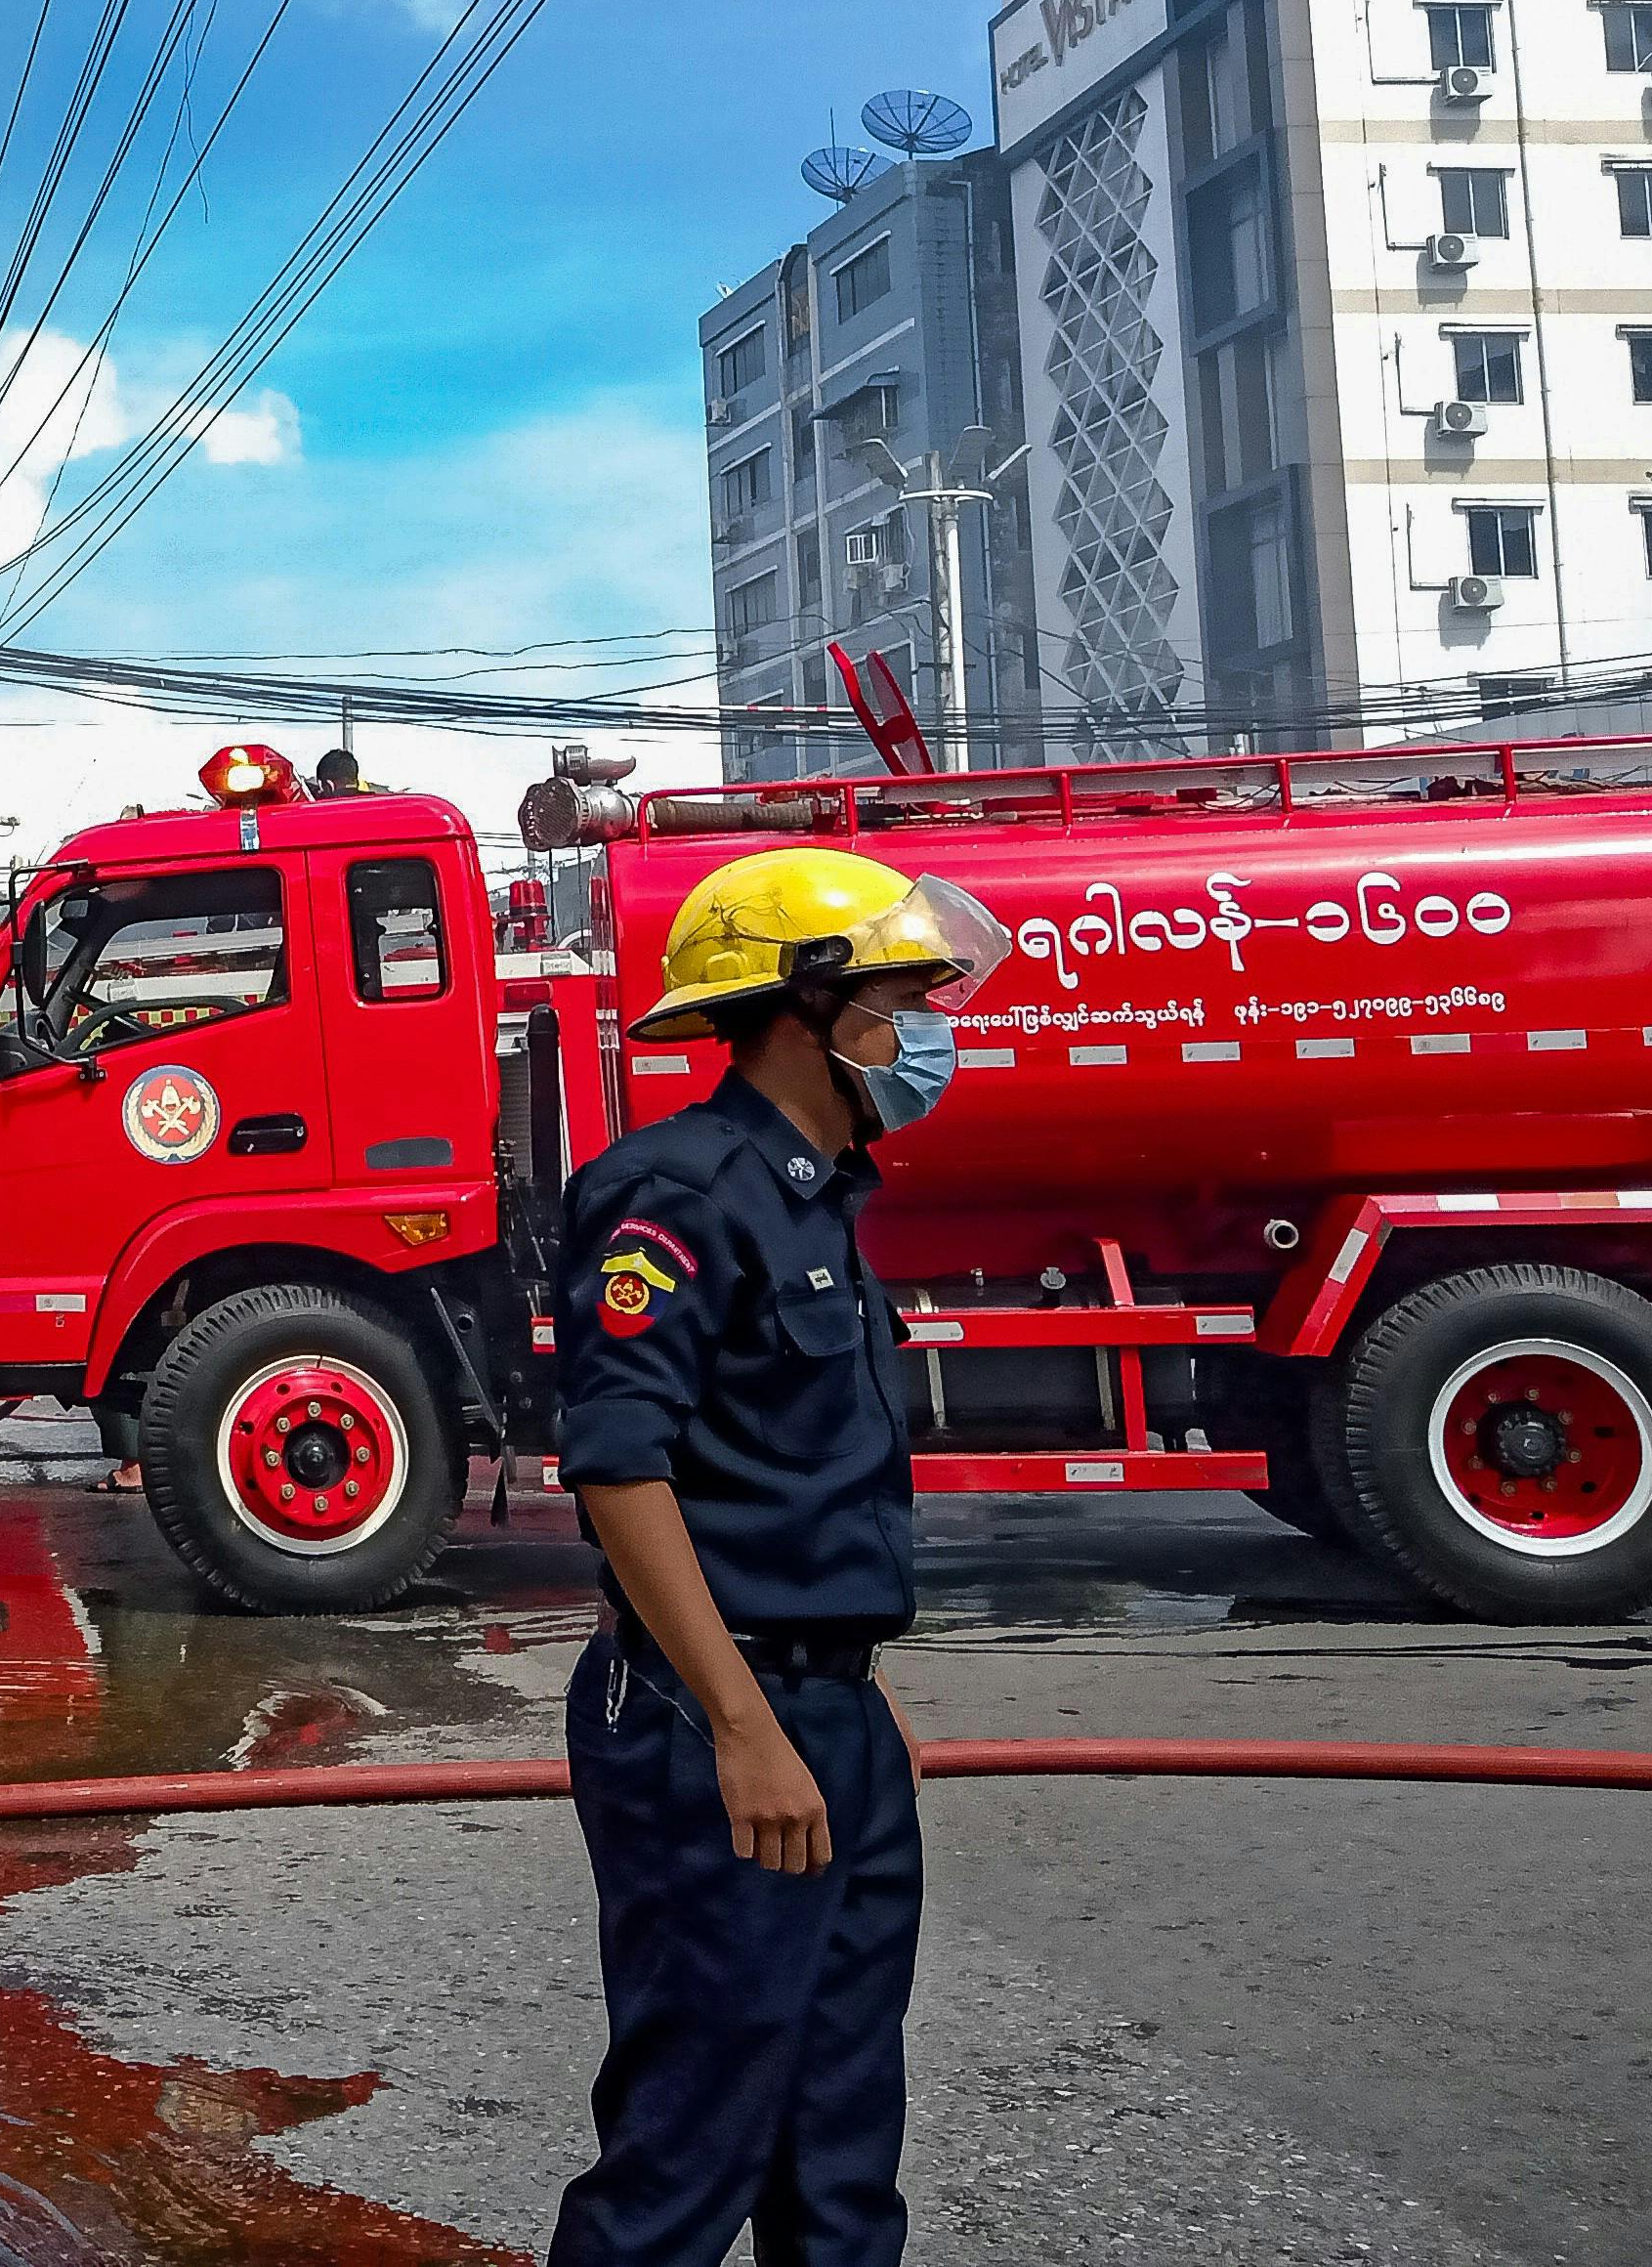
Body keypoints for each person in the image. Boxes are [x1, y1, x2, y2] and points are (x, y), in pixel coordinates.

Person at [544, 845, 1004, 2266]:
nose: (926, 1028)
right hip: (710, 1717)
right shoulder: (676, 1194)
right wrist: (746, 1721)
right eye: (902, 998)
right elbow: (620, 1467)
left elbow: (800, 1480)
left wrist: (848, 1692)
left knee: (842, 2149)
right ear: (808, 1006)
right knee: (693, 2148)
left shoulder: (821, 1198)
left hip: (823, 1713)